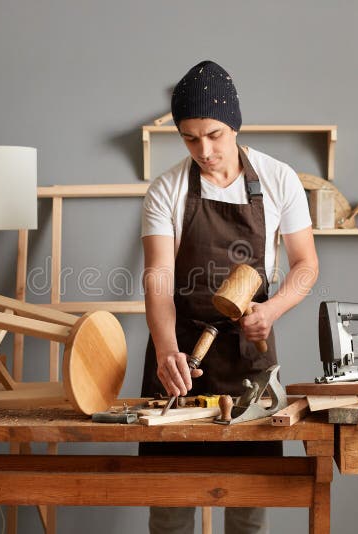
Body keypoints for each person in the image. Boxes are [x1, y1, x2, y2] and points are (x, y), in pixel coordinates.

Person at [139, 60, 319, 534]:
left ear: (235, 125)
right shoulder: (168, 189)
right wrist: (164, 351)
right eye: (190, 138)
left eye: (215, 135)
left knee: (248, 504)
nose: (205, 150)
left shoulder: (279, 180)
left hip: (248, 354)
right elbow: (157, 278)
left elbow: (306, 265)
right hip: (179, 353)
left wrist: (272, 309)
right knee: (171, 505)